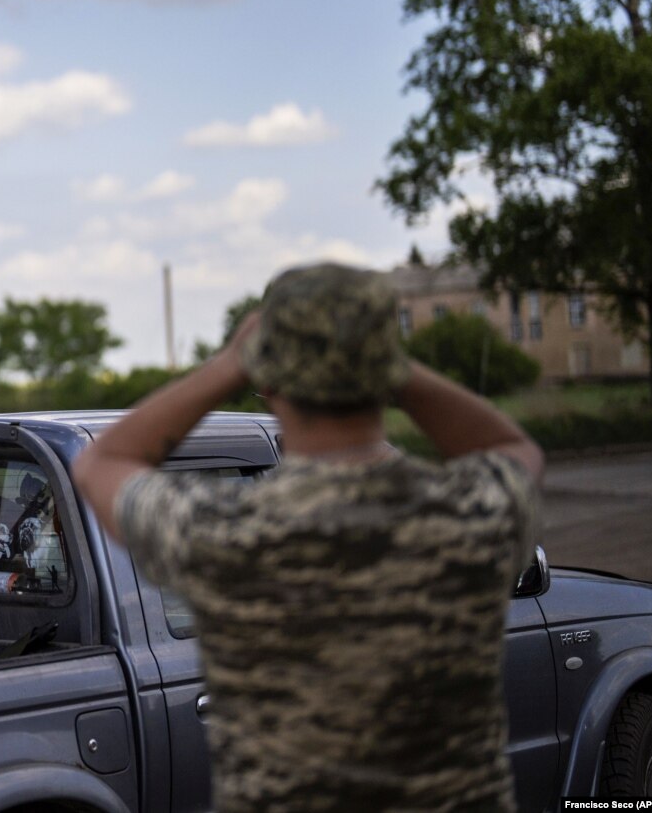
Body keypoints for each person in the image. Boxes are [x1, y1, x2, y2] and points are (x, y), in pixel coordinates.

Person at [73, 262, 543, 812]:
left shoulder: (226, 532)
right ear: (384, 371)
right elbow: (517, 452)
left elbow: (102, 460)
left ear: (268, 379)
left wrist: (232, 362)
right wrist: (387, 364)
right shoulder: (464, 515)